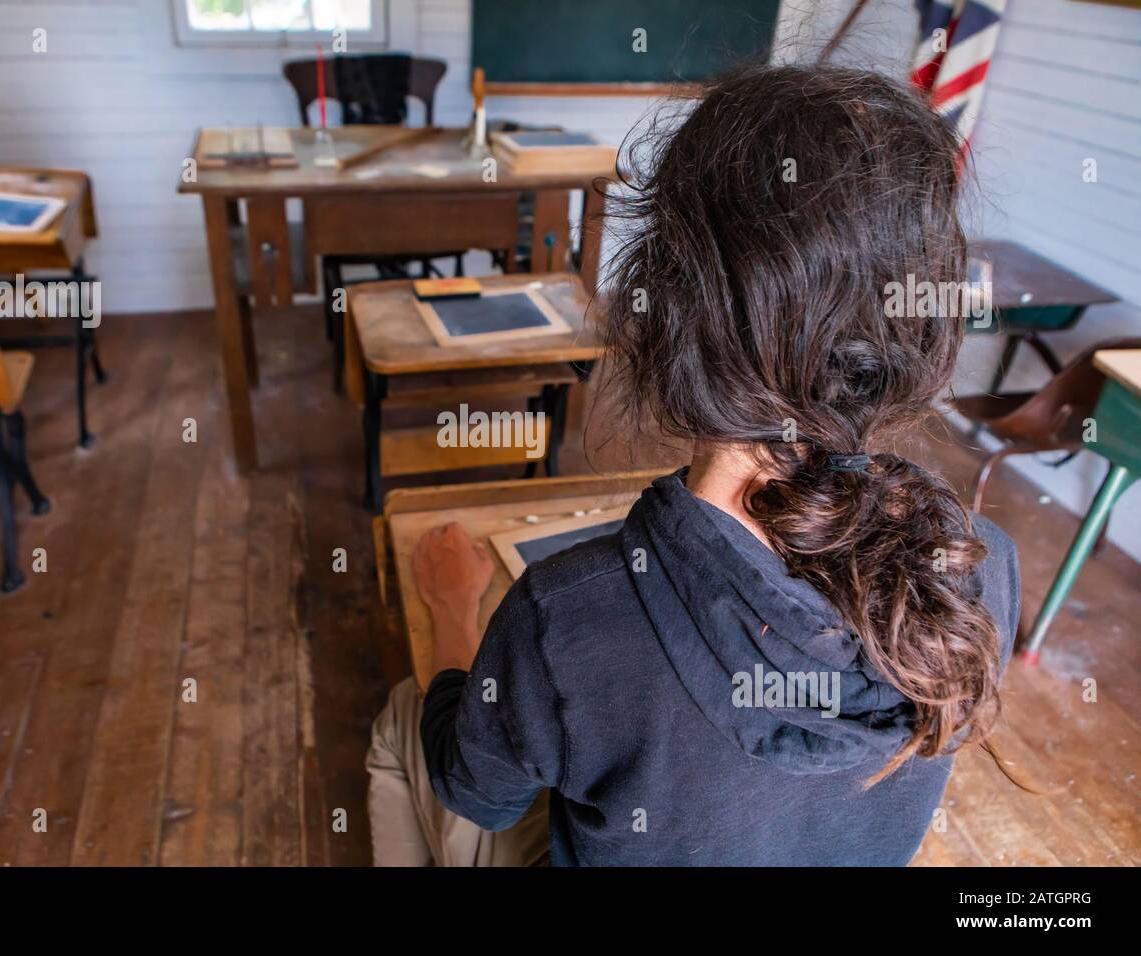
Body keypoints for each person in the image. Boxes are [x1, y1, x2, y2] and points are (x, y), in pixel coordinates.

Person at [365, 63, 1020, 867]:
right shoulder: (985, 567)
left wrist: (455, 614)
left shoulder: (566, 619)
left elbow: (477, 792)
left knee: (406, 714)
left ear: (666, 310)